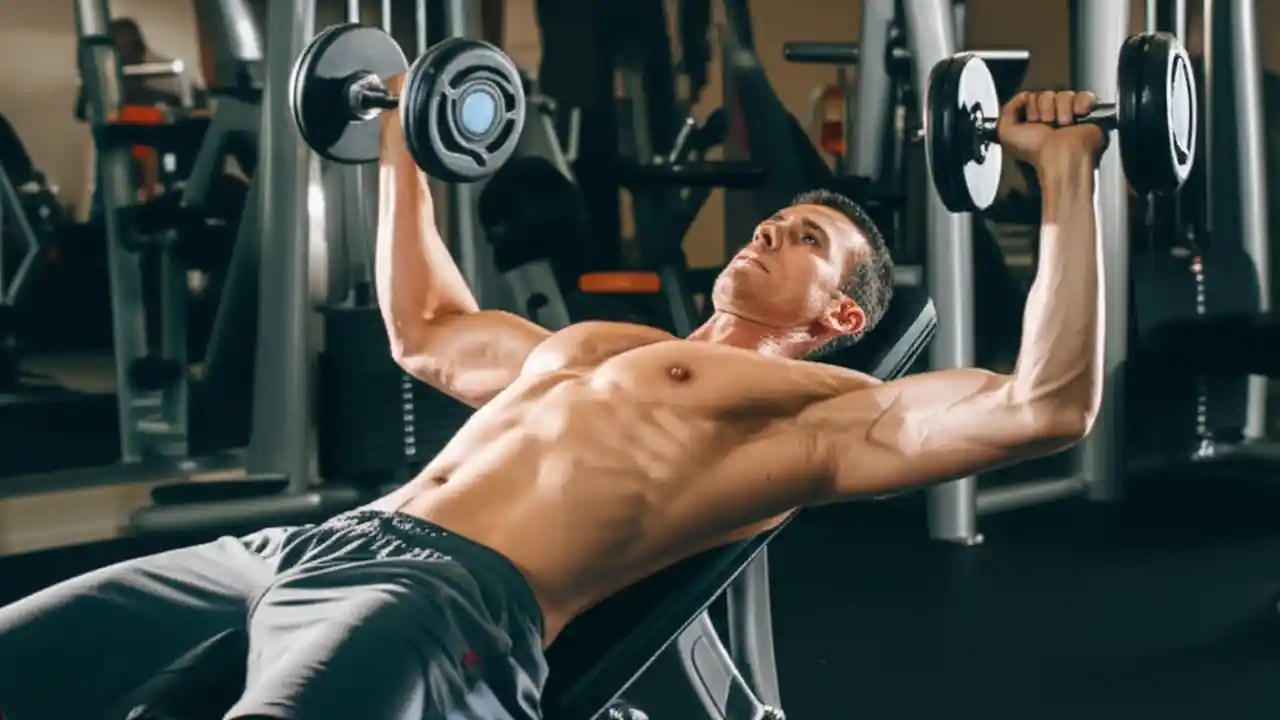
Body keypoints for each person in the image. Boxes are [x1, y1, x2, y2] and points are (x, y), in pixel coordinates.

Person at [0, 84, 1108, 719]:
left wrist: (1062, 173)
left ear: (839, 320)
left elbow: (1040, 406)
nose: (769, 228)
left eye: (806, 241)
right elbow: (426, 331)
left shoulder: (805, 410)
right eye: (777, 220)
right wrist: (399, 141)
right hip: (302, 547)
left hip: (445, 602)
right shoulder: (594, 346)